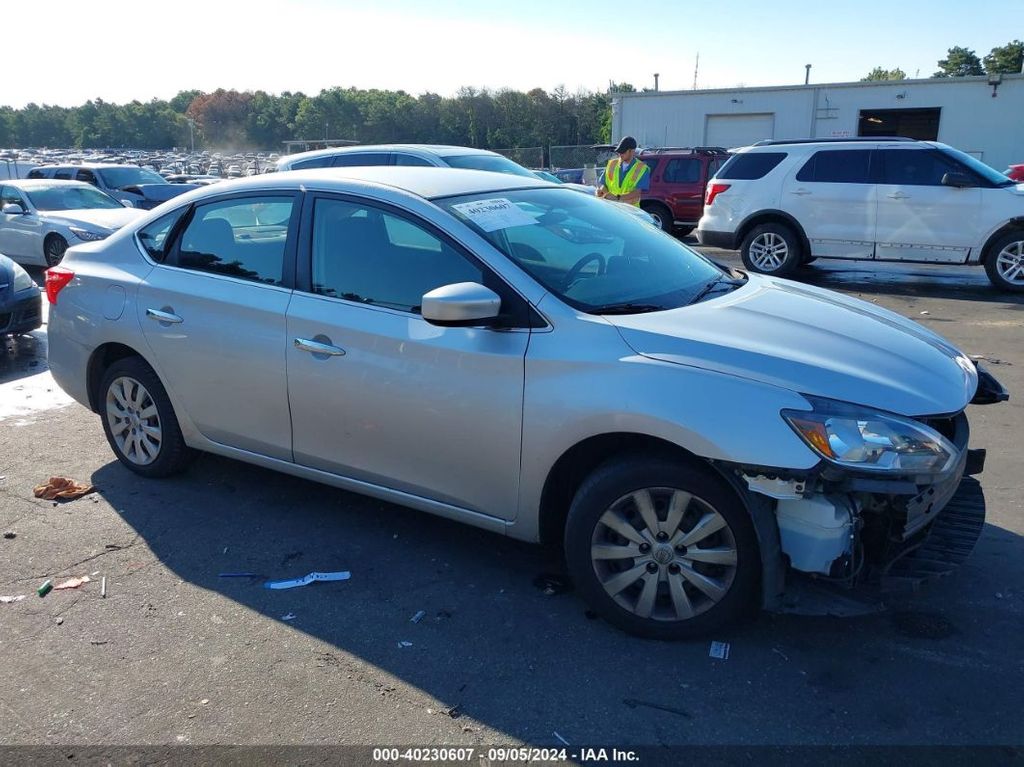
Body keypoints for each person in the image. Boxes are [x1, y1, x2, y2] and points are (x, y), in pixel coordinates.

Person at [596, 136, 650, 206]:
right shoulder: (612, 164)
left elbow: (636, 193)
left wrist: (617, 198)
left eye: (623, 151)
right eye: (619, 151)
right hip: (613, 208)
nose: (620, 154)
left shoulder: (642, 169)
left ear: (632, 151)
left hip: (630, 212)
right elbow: (604, 184)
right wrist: (602, 192)